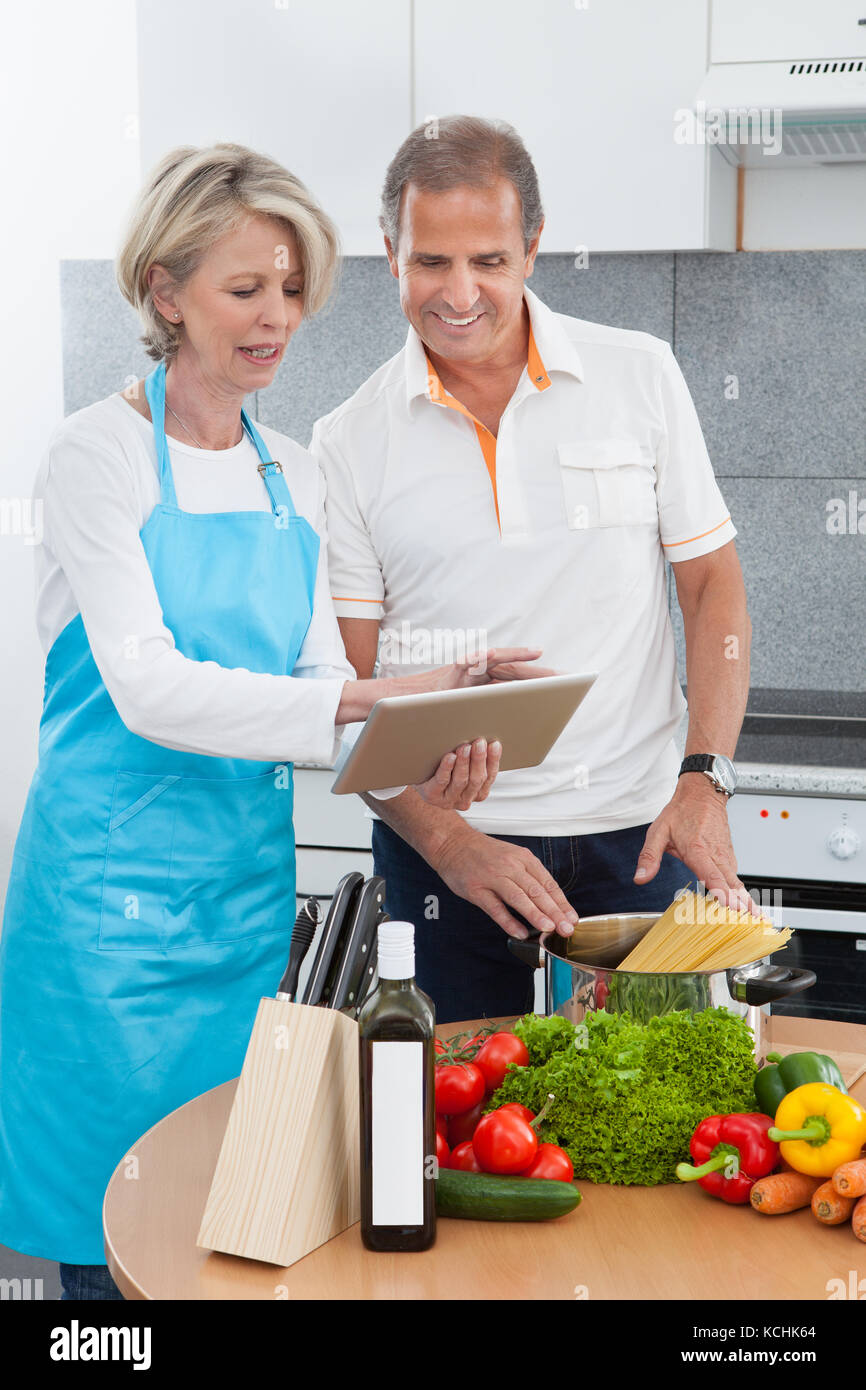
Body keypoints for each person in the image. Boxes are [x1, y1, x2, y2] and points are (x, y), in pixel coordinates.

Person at [0, 142, 544, 1299]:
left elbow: (310, 694)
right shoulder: (94, 458)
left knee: (218, 1215)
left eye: (292, 289)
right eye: (244, 289)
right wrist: (367, 694)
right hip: (108, 916)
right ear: (165, 290)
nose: (277, 318)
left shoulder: (289, 471)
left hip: (235, 901)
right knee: (110, 1234)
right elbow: (151, 687)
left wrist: (436, 732)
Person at [311, 116, 755, 1025]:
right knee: (459, 1129)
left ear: (533, 249)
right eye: (430, 261)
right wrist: (450, 843)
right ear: (391, 253)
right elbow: (345, 688)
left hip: (640, 836)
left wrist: (704, 777)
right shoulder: (348, 442)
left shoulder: (640, 376)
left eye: (489, 260)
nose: (460, 292)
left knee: (651, 1119)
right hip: (448, 855)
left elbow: (712, 587)